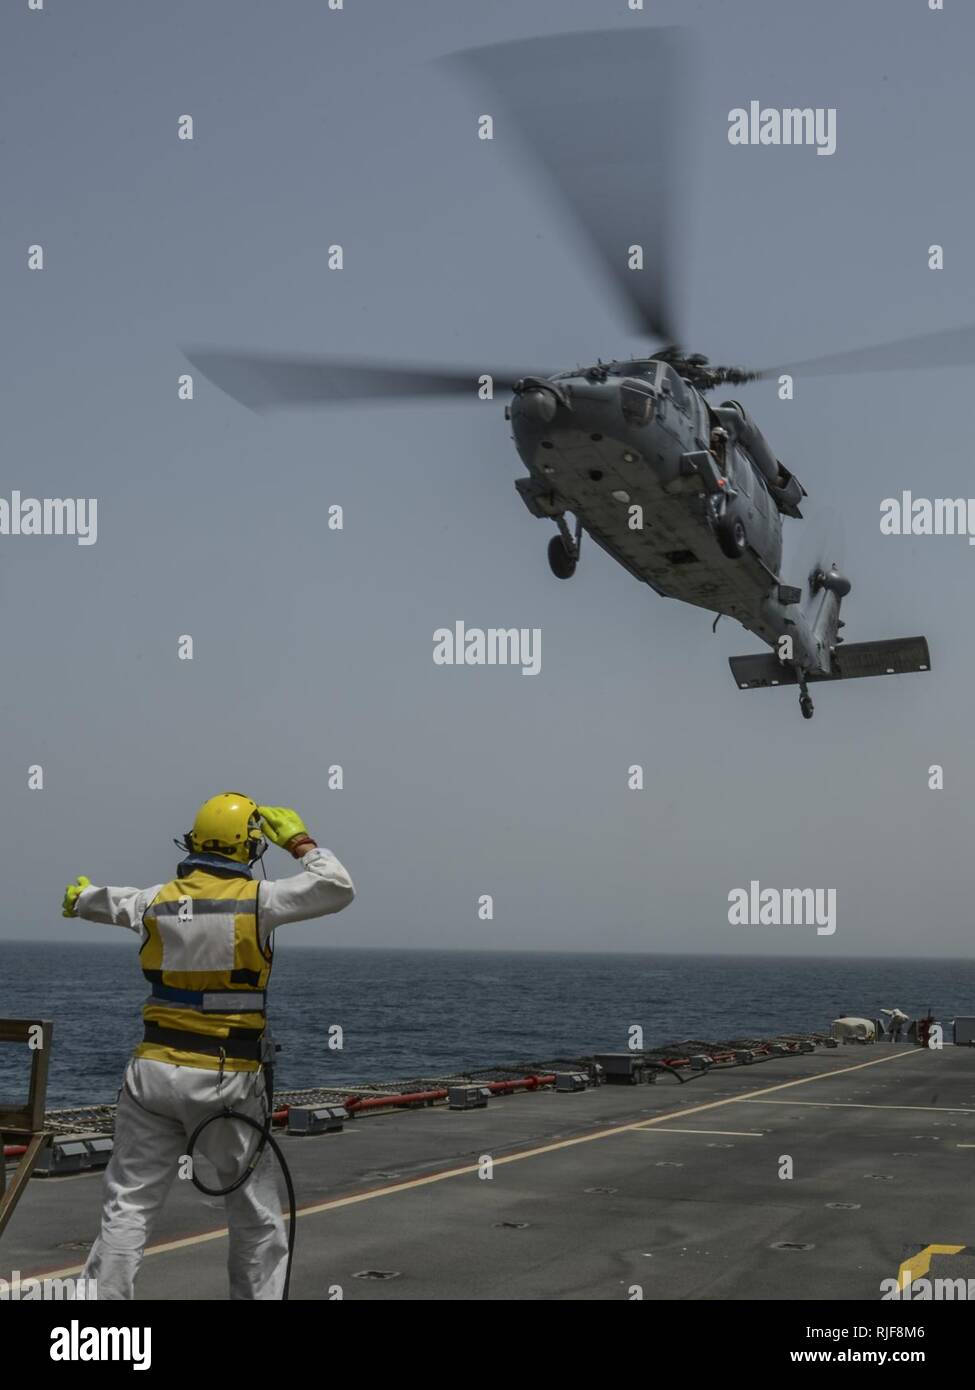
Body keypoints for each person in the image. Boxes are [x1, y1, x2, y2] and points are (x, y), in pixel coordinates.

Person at [61, 793, 355, 1300]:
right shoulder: (260, 901)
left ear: (194, 842)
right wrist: (301, 843)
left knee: (127, 1206)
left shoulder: (156, 900)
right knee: (255, 1216)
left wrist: (83, 896)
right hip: (226, 1080)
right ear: (249, 848)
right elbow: (336, 888)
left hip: (151, 1074)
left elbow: (99, 900)